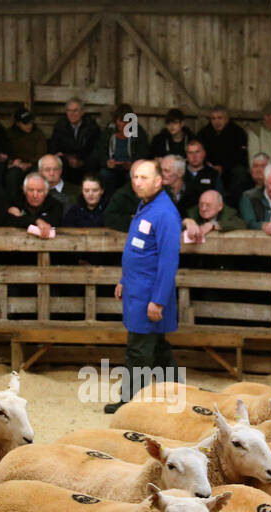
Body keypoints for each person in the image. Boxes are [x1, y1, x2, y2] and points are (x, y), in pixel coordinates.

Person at [105, 159, 181, 414]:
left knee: (138, 350)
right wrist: (124, 279)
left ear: (159, 181)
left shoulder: (165, 213)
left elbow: (168, 261)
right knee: (157, 346)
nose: (138, 182)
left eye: (144, 178)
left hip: (149, 294)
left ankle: (129, 403)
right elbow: (139, 250)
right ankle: (177, 392)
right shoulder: (147, 205)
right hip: (137, 289)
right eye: (135, 177)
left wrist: (158, 301)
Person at [196, 104, 250, 199]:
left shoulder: (237, 132)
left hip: (230, 169)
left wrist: (224, 167)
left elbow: (241, 156)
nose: (216, 122)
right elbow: (199, 152)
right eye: (213, 118)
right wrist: (210, 166)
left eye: (220, 118)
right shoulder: (204, 133)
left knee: (240, 172)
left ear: (227, 119)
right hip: (209, 168)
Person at [96, 103, 149, 192]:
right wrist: (107, 162)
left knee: (133, 177)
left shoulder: (138, 132)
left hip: (131, 169)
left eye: (127, 121)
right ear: (116, 121)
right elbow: (99, 152)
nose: (124, 124)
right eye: (121, 121)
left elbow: (144, 153)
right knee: (104, 174)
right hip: (112, 168)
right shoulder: (109, 132)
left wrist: (132, 164)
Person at [48, 97, 101, 185]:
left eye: (75, 111)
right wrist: (63, 157)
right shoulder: (60, 126)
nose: (71, 114)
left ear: (82, 112)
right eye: (69, 111)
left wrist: (81, 163)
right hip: (65, 164)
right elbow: (53, 148)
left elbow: (96, 152)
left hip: (85, 165)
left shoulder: (92, 128)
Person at [6, 107, 48, 194]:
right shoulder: (9, 134)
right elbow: (4, 152)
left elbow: (41, 154)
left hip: (33, 164)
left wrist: (29, 164)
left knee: (36, 176)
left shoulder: (38, 134)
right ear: (18, 123)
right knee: (12, 176)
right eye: (25, 123)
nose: (30, 125)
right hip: (16, 165)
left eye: (31, 122)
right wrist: (12, 162)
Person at [183, 139, 221, 209]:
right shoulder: (180, 173)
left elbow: (220, 197)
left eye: (197, 152)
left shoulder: (212, 173)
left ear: (204, 153)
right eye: (190, 153)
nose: (194, 156)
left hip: (205, 212)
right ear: (186, 156)